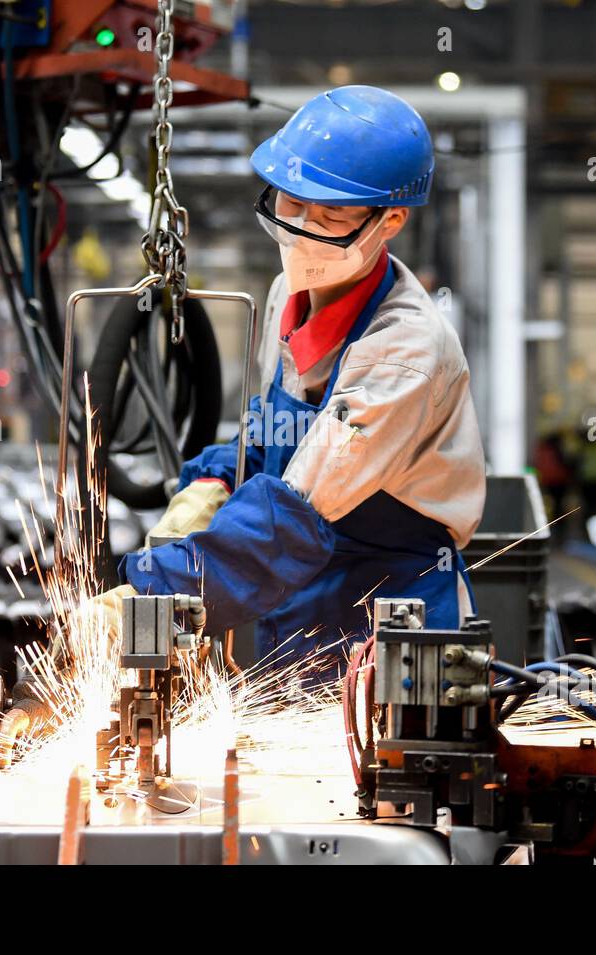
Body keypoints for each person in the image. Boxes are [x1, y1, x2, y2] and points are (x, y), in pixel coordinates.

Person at [97, 86, 486, 669]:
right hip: (299, 602)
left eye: (329, 215)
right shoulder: (288, 293)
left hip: (394, 619)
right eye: (290, 204)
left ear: (392, 220)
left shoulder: (404, 351)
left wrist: (153, 591)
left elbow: (298, 512)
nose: (301, 231)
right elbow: (274, 436)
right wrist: (213, 485)